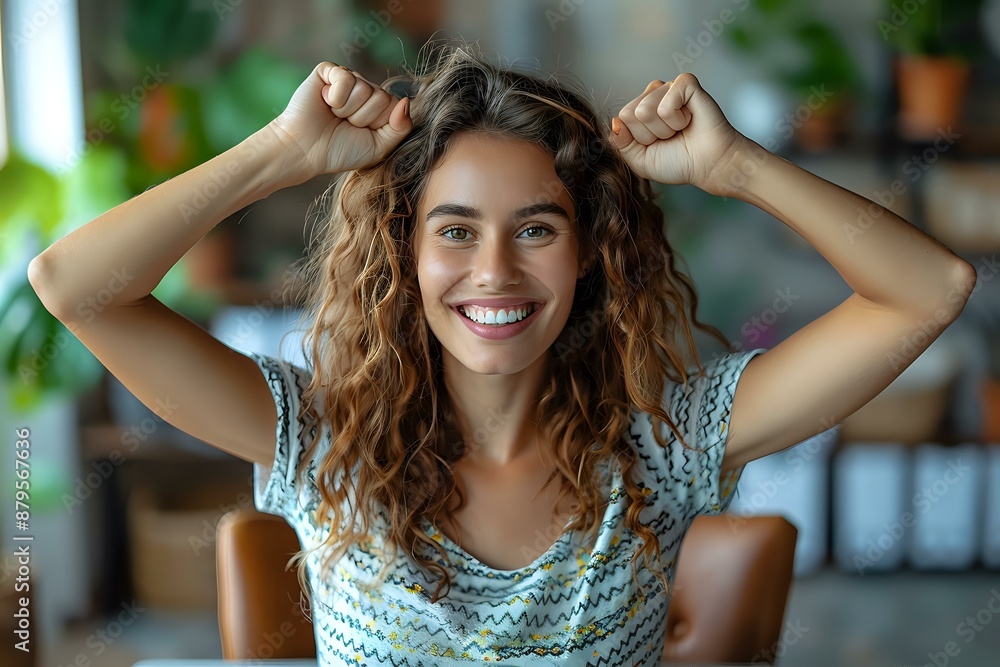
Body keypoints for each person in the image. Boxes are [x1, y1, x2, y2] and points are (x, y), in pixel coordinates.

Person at [29, 39, 975, 666]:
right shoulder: (317, 438)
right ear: (403, 251)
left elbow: (929, 291)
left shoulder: (666, 444)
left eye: (535, 229)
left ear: (590, 249)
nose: (494, 273)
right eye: (454, 230)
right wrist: (278, 151)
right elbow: (74, 287)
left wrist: (736, 168)